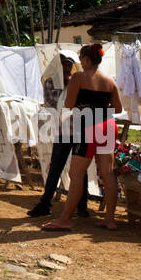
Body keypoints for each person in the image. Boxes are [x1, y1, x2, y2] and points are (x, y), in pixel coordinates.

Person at [42, 43, 121, 231]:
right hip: (107, 125)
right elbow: (118, 109)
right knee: (108, 173)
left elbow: (69, 104)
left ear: (86, 59)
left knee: (75, 174)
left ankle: (65, 219)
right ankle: (110, 219)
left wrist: (87, 109)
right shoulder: (110, 81)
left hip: (87, 126)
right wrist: (100, 111)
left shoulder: (78, 77)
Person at [27, 54, 90, 218]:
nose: (67, 68)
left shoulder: (78, 81)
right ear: (58, 66)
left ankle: (82, 206)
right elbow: (52, 106)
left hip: (79, 131)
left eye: (69, 65)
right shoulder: (51, 83)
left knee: (80, 170)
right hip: (62, 131)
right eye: (64, 65)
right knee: (56, 168)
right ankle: (45, 203)